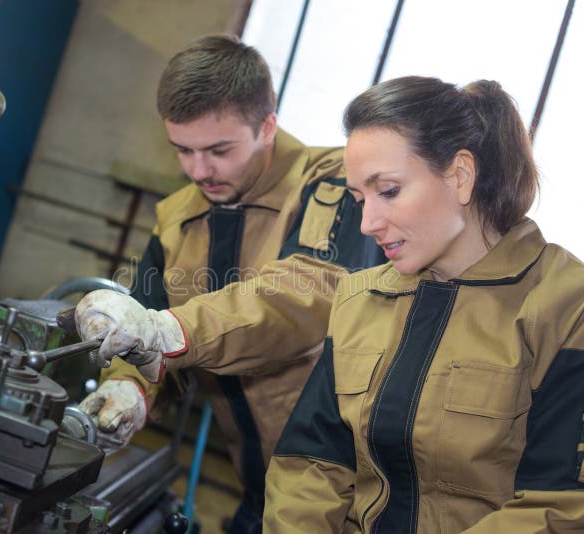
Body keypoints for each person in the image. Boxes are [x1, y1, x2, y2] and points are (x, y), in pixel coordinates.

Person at [261, 76, 584, 532]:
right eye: (359, 199)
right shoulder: (359, 299)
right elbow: (311, 465)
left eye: (389, 191)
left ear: (460, 176)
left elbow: (559, 506)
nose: (367, 223)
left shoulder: (572, 306)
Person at [76, 34, 384, 533]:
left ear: (267, 126)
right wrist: (128, 389)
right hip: (262, 490)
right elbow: (146, 325)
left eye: (219, 150)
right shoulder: (177, 220)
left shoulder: (334, 184)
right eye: (183, 150)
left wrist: (172, 331)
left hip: (355, 500)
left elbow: (302, 296)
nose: (199, 171)